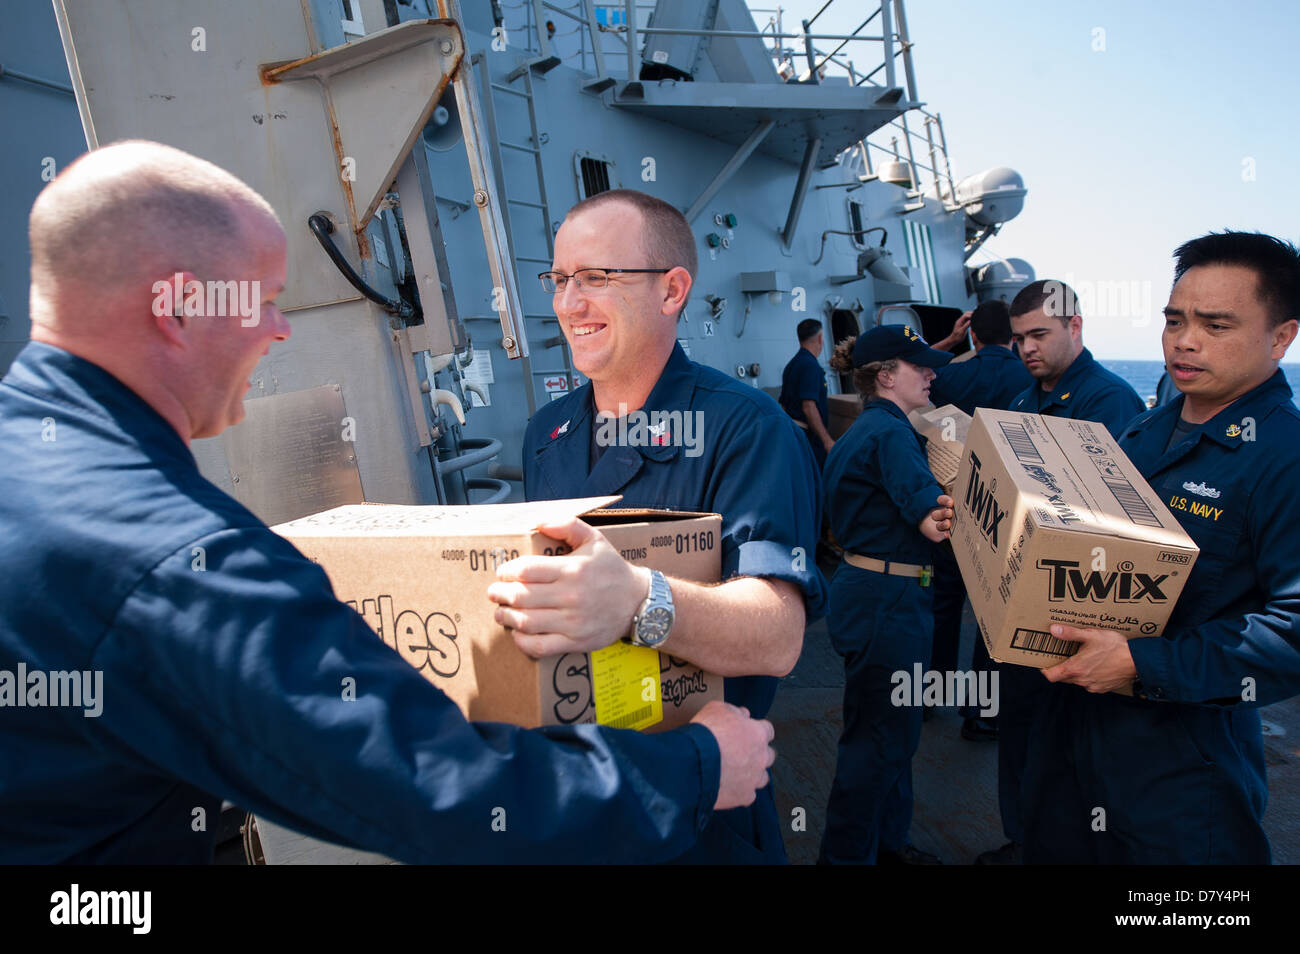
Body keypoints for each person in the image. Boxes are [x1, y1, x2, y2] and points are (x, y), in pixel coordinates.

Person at [0, 141, 777, 864]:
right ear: (174, 309)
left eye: (598, 277)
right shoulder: (167, 560)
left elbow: (777, 633)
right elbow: (430, 785)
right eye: (265, 301)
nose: (277, 331)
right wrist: (695, 767)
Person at [508, 189, 827, 864]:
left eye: (598, 277)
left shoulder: (746, 430)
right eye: (561, 279)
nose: (569, 303)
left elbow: (777, 635)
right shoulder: (547, 434)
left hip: (701, 807)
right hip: (576, 792)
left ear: (673, 289)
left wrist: (635, 600)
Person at [1023, 231, 1300, 863]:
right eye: (1175, 320)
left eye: (1216, 324)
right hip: (1074, 731)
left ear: (1281, 337)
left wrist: (1145, 666)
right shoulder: (1145, 430)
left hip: (1183, 760)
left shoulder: (1284, 458)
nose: (1185, 340)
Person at [977, 280, 1147, 865]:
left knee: (1070, 752)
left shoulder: (1111, 403)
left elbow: (1113, 526)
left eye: (1039, 335)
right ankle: (1022, 839)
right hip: (1017, 606)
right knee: (1021, 733)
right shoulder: (1023, 400)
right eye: (1019, 337)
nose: (1026, 348)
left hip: (1073, 616)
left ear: (1075, 328)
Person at [817, 324, 956, 865]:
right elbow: (935, 524)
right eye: (917, 364)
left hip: (873, 590)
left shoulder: (865, 428)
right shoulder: (891, 435)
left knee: (891, 735)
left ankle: (889, 847)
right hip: (888, 600)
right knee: (877, 743)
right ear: (885, 376)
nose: (931, 372)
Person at [926, 299, 1034, 742]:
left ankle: (931, 696)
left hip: (952, 507)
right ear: (1014, 336)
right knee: (995, 611)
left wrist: (949, 343)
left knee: (944, 606)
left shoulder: (949, 375)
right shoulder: (1030, 378)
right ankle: (981, 712)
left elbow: (917, 390)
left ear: (973, 334)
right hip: (1007, 511)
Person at [778, 318, 834, 468]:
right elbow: (808, 407)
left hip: (793, 436)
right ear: (821, 338)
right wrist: (827, 441)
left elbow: (782, 406)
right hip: (808, 440)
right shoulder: (810, 366)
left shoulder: (792, 364)